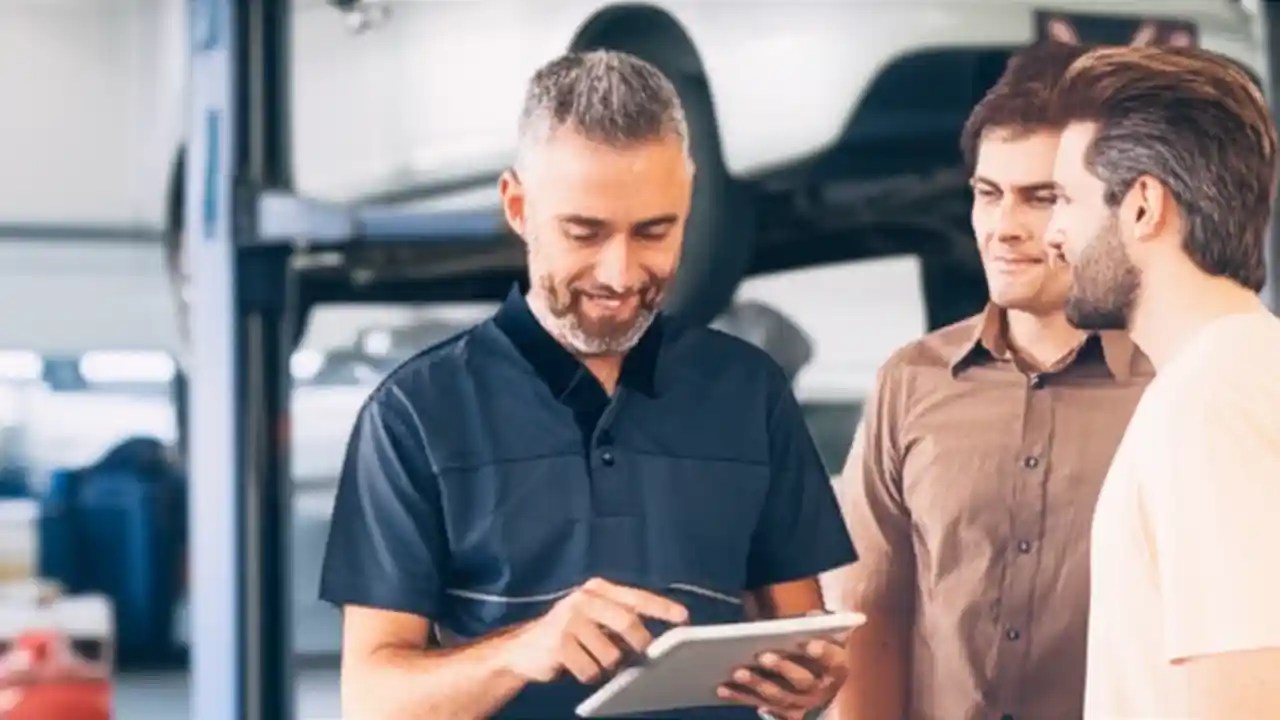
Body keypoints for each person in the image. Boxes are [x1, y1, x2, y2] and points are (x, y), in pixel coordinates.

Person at [318, 49, 856, 720]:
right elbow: (372, 702)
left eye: (655, 231)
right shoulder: (414, 416)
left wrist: (810, 683)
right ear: (517, 205)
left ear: (689, 204)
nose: (621, 273)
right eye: (585, 231)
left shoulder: (751, 392)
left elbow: (798, 636)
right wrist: (522, 648)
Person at [827, 42, 1152, 720]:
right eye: (988, 194)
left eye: (1041, 198)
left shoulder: (1176, 388)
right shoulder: (911, 382)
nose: (1004, 228)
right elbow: (869, 618)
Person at [1044, 44, 1280, 719]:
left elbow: (1250, 695)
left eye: (1064, 198)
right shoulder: (1238, 375)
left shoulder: (1212, 401)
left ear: (1143, 206)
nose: (1053, 233)